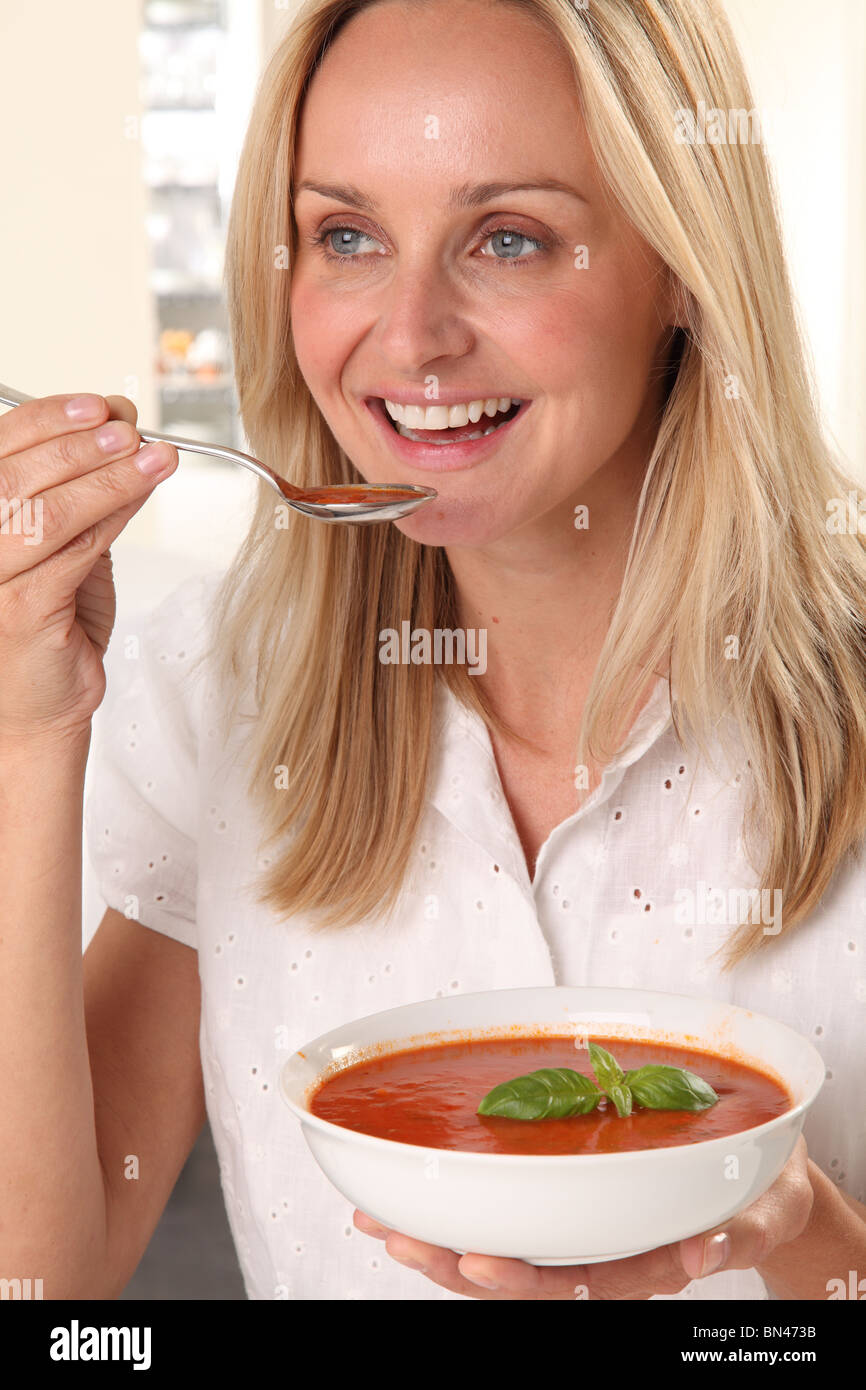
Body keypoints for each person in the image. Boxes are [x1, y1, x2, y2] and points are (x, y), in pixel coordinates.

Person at [2, 0, 865, 1302]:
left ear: (680, 268)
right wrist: (27, 731)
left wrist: (800, 1236)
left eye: (508, 239)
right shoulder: (219, 686)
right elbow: (42, 1289)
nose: (406, 338)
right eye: (346, 236)